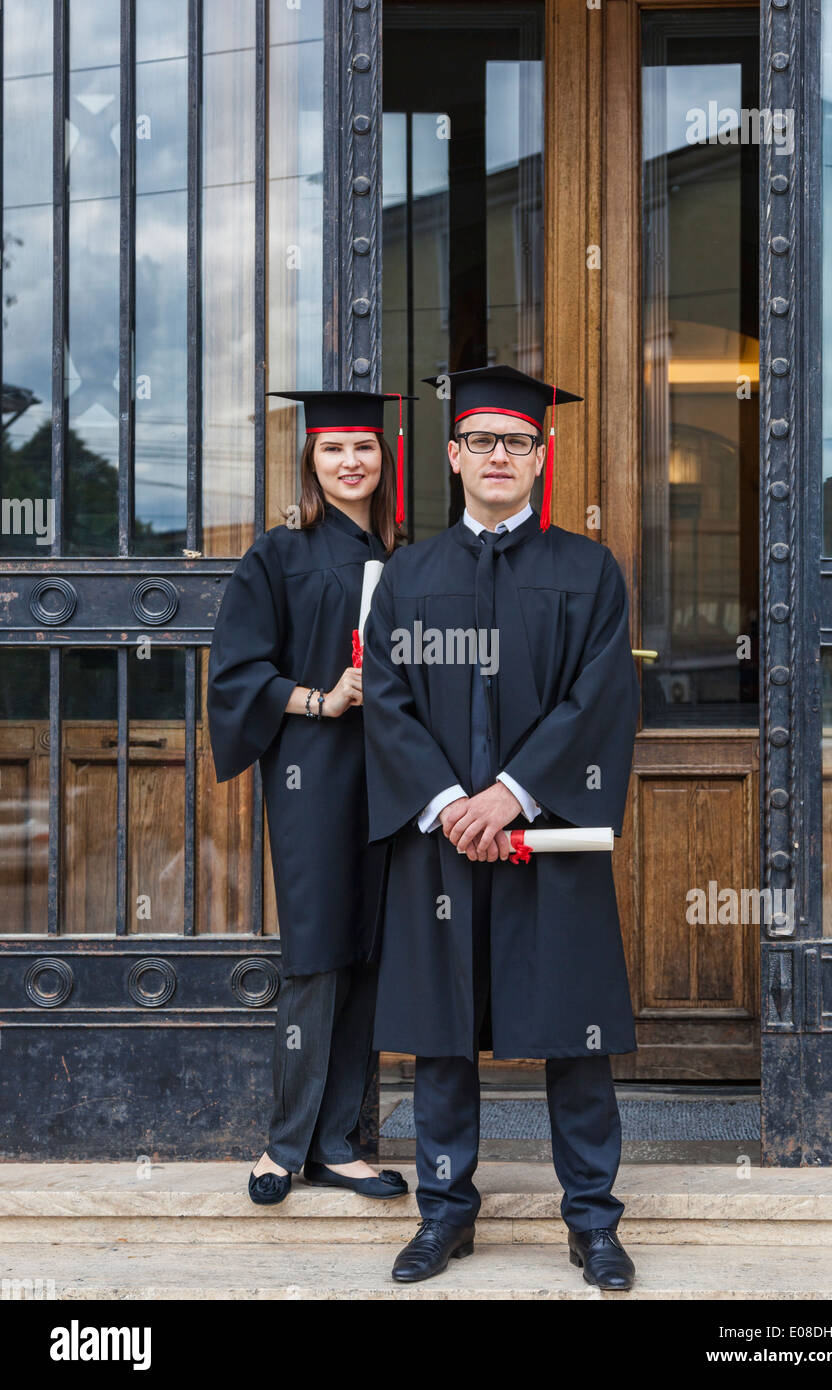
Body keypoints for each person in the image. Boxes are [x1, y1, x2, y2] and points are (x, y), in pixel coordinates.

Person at [361, 364, 640, 1287]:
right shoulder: (409, 575)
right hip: (443, 839)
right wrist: (448, 804)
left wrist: (512, 793)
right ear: (451, 456)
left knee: (573, 1034)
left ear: (539, 457)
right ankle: (444, 1213)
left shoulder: (587, 570)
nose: (497, 457)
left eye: (516, 442)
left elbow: (599, 699)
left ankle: (592, 1220)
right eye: (480, 440)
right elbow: (387, 704)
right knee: (441, 1033)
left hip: (545, 833)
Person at [207, 389, 412, 1205]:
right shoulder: (278, 553)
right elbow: (238, 673)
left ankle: (338, 1144)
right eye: (332, 452)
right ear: (311, 462)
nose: (349, 463)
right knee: (317, 953)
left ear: (382, 461)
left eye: (362, 449)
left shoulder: (406, 560)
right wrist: (326, 699)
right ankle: (283, 1144)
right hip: (313, 774)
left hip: (392, 776)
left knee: (366, 952)